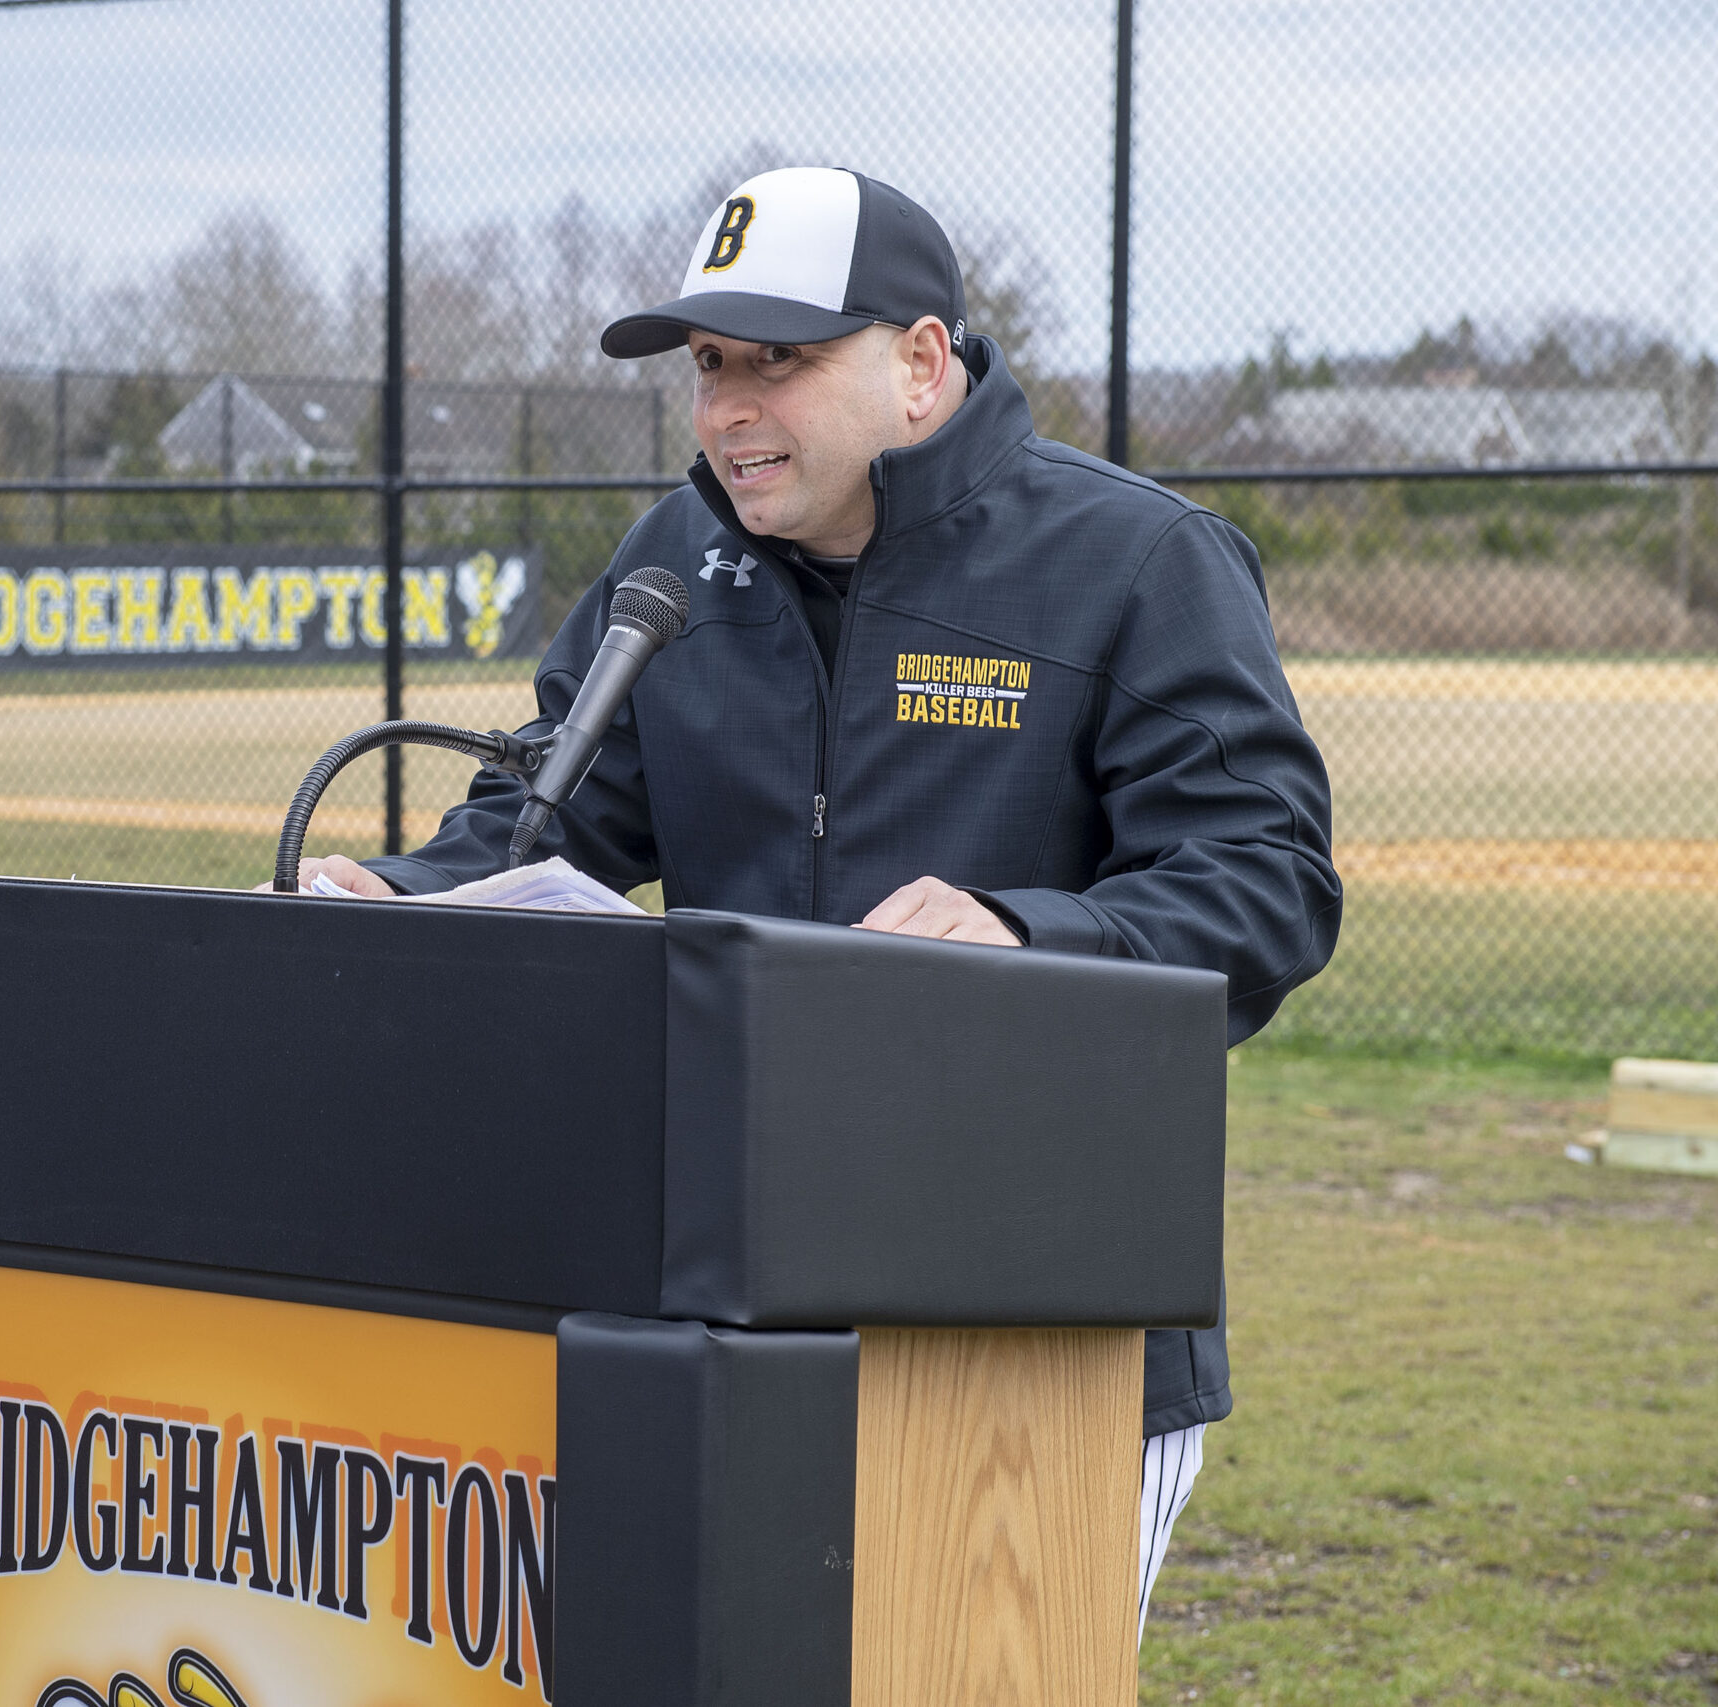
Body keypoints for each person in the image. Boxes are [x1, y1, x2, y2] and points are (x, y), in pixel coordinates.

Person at [286, 166, 1340, 1633]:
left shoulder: (1137, 560)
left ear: (922, 363)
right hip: (725, 1306)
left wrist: (1032, 935)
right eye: (712, 366)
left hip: (1038, 1330)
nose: (727, 408)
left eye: (778, 362)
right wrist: (393, 896)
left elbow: (1267, 883)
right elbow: (543, 827)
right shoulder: (675, 563)